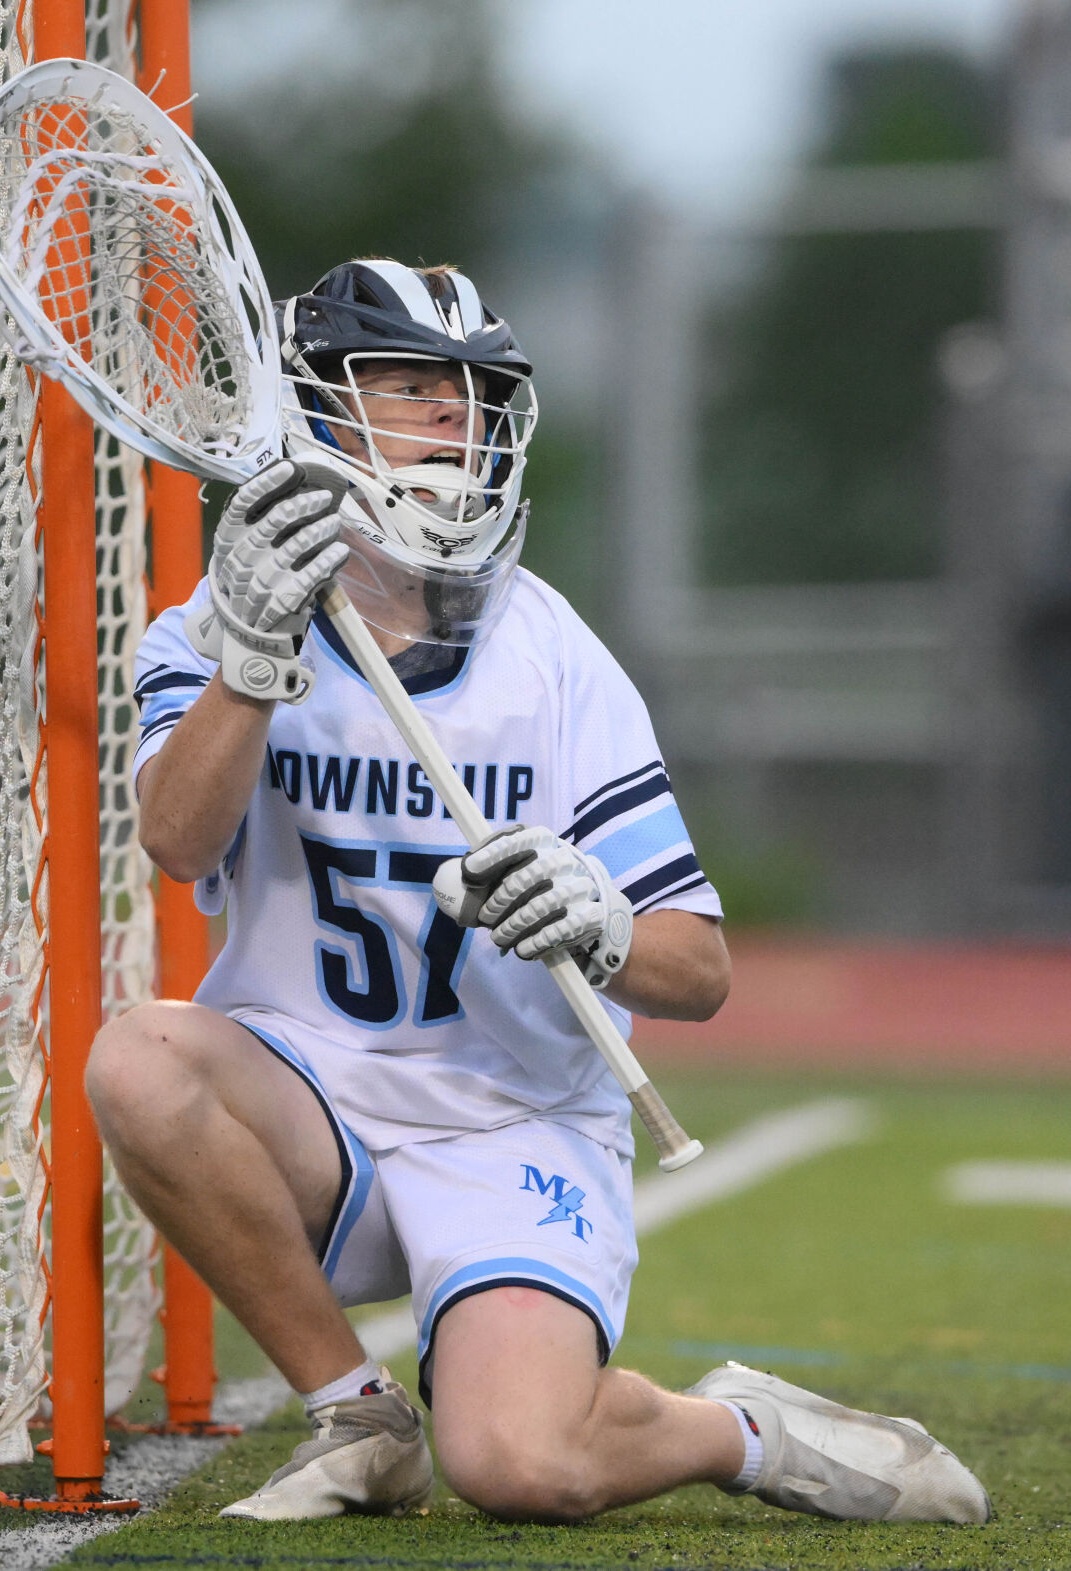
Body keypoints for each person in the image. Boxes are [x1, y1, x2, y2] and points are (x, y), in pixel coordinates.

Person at [86, 259, 991, 1526]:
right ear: (315, 416)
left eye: (471, 395)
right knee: (139, 1058)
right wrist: (250, 661)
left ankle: (740, 1428)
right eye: (410, 388)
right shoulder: (209, 631)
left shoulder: (550, 653)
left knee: (521, 1465)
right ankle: (357, 1413)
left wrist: (603, 922)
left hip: (512, 1120)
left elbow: (700, 967)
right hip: (312, 1109)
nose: (455, 422)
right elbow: (179, 844)